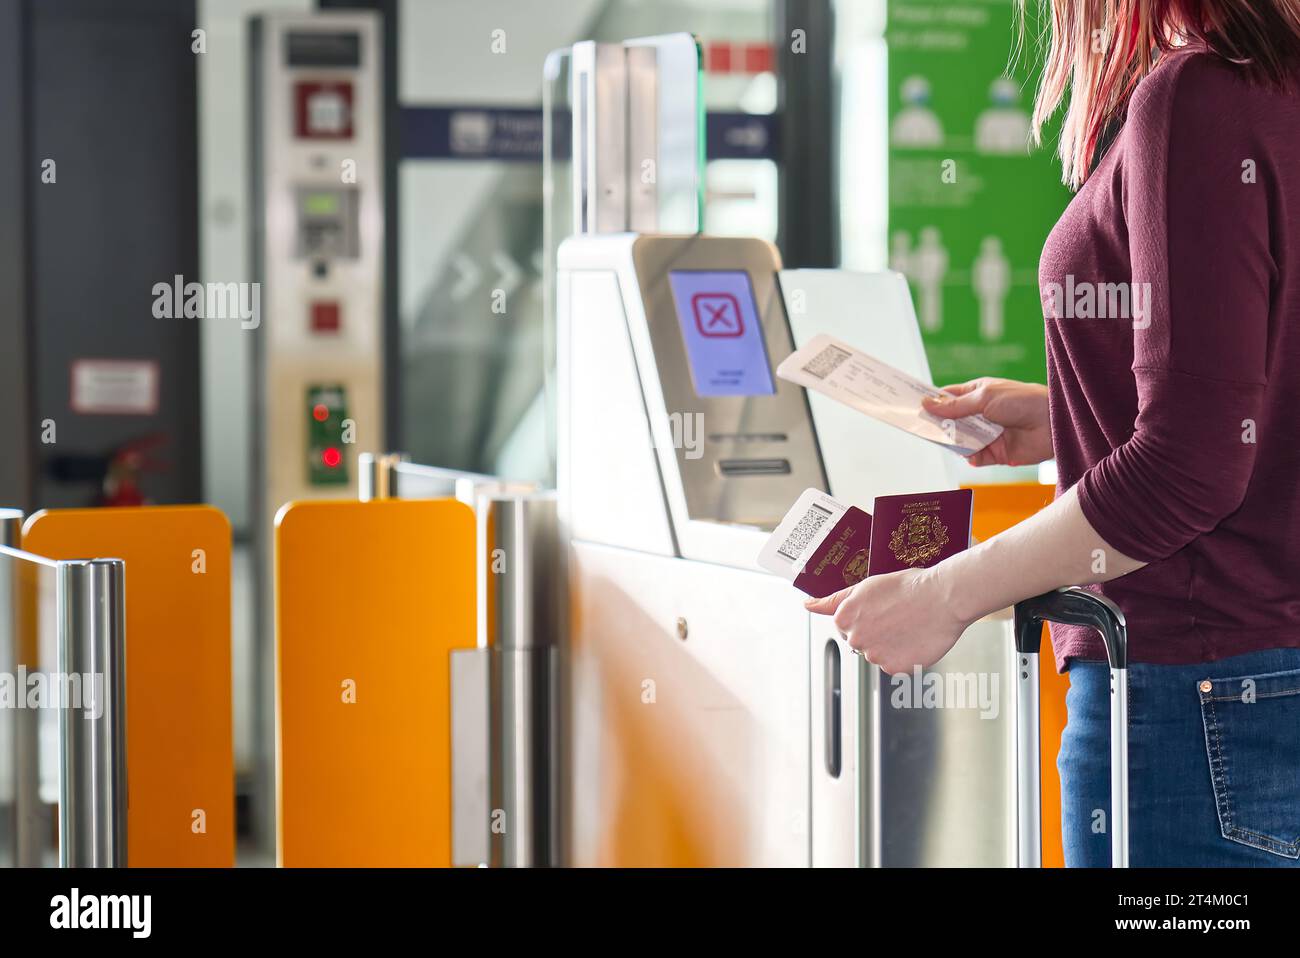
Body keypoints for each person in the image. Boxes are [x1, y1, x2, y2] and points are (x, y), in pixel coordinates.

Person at [807, 0, 1300, 866]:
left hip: (1200, 706)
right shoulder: (1279, 88)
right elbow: (1253, 402)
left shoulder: (1200, 97)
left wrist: (946, 595)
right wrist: (1075, 407)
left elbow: (1188, 469)